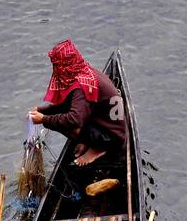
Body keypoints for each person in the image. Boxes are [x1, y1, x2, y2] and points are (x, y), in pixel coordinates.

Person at [28, 39, 127, 168]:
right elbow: (69, 103)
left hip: (112, 138)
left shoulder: (81, 87)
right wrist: (42, 110)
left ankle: (98, 149)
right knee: (69, 114)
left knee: (69, 124)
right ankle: (90, 141)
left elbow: (74, 120)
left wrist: (44, 119)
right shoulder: (85, 71)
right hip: (110, 127)